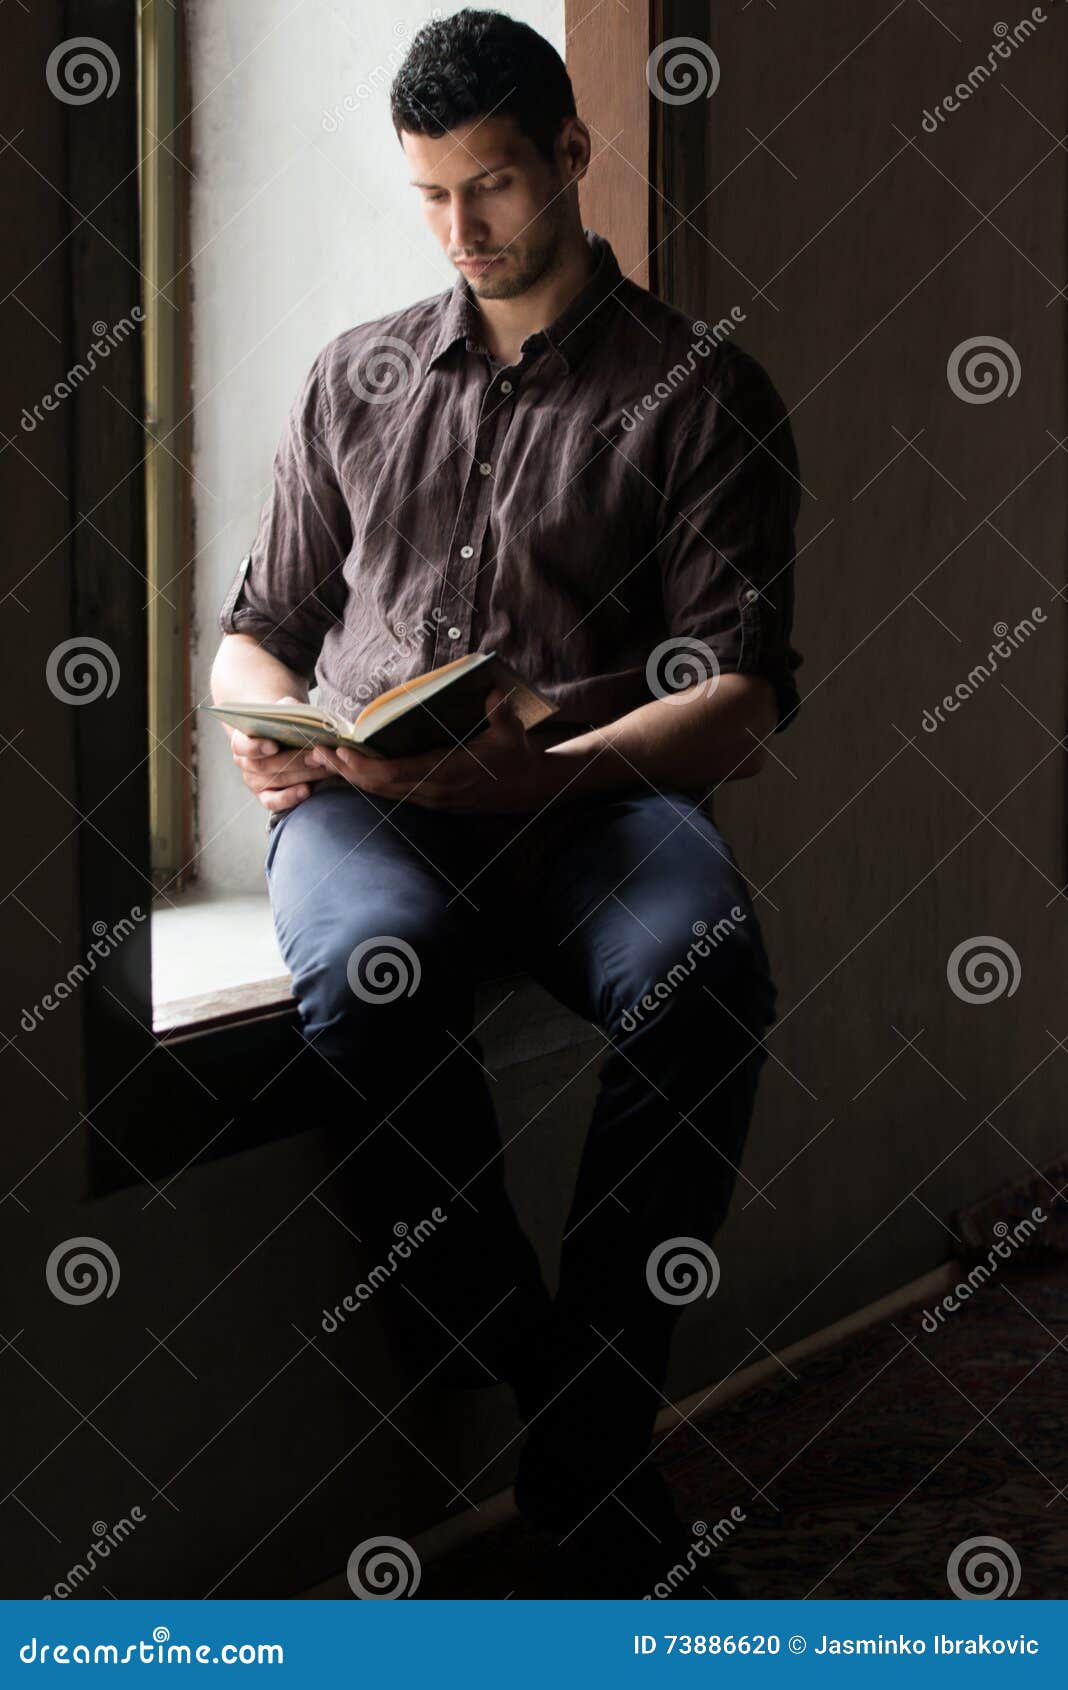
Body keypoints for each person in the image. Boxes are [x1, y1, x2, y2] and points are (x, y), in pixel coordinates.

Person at [211, 7, 802, 1597]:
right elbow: (262, 623)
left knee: (709, 968)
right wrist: (267, 721)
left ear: (570, 157)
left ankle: (583, 1408)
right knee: (361, 972)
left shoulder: (700, 390)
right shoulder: (355, 377)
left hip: (587, 804)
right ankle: (543, 1377)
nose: (461, 230)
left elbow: (739, 705)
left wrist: (551, 766)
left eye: (491, 187)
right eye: (428, 196)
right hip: (370, 803)